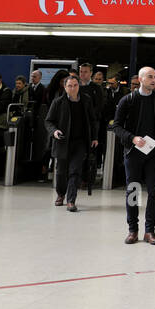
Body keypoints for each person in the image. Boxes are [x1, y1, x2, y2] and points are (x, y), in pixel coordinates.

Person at [113, 66, 155, 245]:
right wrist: (132, 138)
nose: (154, 80)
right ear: (140, 79)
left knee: (154, 192)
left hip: (154, 153)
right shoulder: (128, 100)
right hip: (133, 152)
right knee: (133, 190)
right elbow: (116, 126)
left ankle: (150, 231)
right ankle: (133, 230)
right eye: (150, 77)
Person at [46, 74, 98, 211]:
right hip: (63, 141)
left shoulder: (86, 100)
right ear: (65, 87)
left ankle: (71, 200)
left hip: (80, 142)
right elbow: (48, 121)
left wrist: (94, 137)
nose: (73, 88)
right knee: (61, 172)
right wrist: (55, 131)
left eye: (75, 85)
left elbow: (93, 120)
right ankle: (60, 194)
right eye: (70, 86)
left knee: (75, 171)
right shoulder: (58, 102)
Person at [77, 63, 105, 194]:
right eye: (81, 71)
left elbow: (99, 107)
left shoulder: (96, 88)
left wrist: (89, 117)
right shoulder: (75, 86)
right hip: (77, 124)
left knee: (91, 152)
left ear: (91, 73)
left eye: (85, 72)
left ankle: (88, 179)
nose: (83, 74)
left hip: (92, 123)